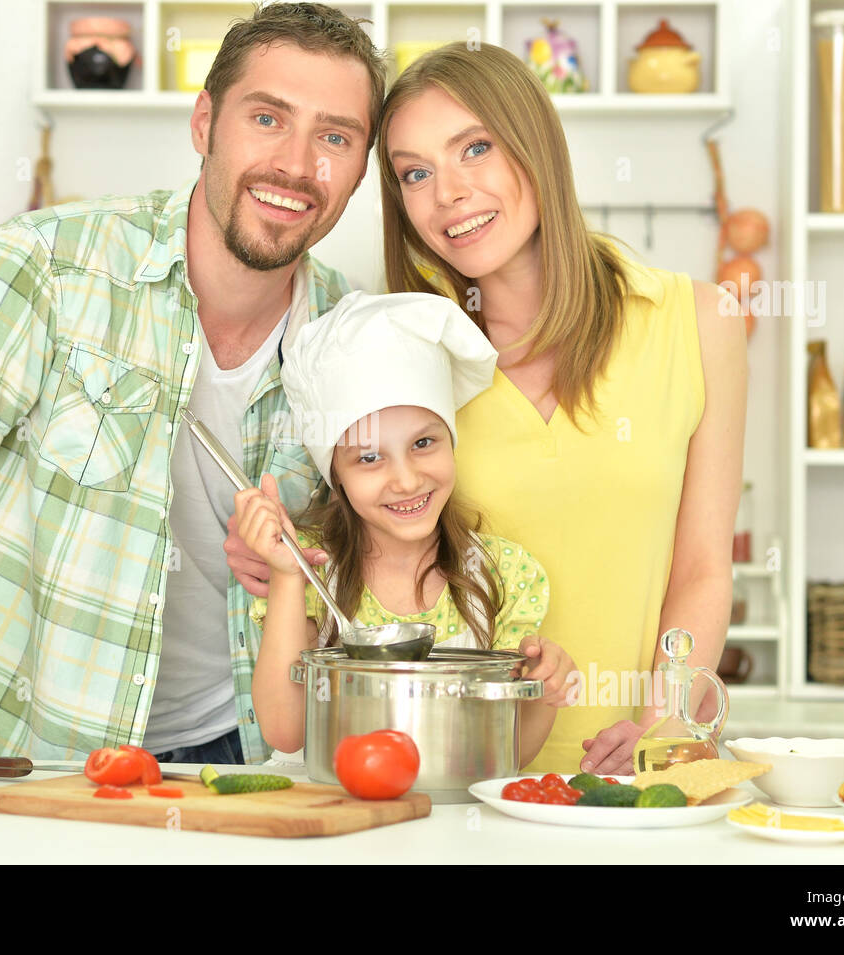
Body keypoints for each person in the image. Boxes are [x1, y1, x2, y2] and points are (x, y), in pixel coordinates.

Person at [0, 2, 386, 781]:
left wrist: (314, 570)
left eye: (335, 137)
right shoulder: (45, 266)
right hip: (30, 755)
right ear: (204, 122)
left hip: (246, 761)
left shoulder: (351, 333)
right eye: (267, 118)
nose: (295, 163)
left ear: (360, 169)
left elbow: (378, 557)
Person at [227, 43, 747, 776]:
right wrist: (269, 553)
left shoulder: (698, 321)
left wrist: (665, 725)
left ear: (536, 144)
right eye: (416, 172)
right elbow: (333, 529)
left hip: (631, 773)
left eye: (475, 148)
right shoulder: (399, 352)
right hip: (455, 779)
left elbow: (702, 568)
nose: (449, 194)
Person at [232, 291, 576, 757]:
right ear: (336, 476)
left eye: (424, 443)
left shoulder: (505, 573)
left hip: (450, 816)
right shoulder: (310, 569)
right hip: (332, 813)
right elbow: (287, 730)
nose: (407, 479)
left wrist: (545, 690)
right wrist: (289, 575)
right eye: (369, 458)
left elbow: (509, 751)